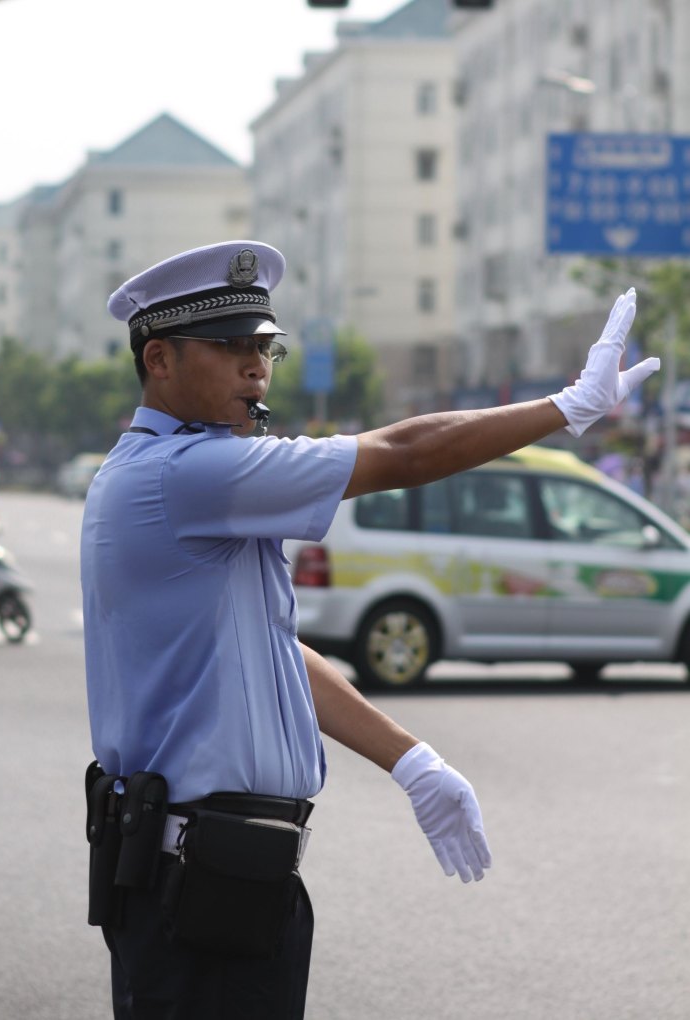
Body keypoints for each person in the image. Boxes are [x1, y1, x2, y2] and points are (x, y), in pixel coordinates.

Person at [81, 240, 659, 1020]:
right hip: (196, 882)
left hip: (221, 875)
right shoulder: (184, 473)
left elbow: (273, 653)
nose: (257, 368)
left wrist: (412, 762)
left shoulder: (175, 472)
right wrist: (564, 408)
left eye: (266, 348)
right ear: (159, 359)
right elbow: (403, 451)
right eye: (231, 348)